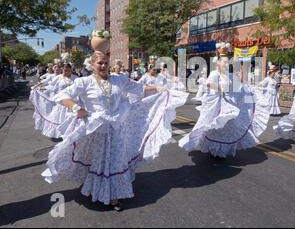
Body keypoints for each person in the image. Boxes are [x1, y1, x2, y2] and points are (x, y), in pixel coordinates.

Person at [40, 49, 188, 211]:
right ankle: (99, 189)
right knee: (100, 160)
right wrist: (77, 108)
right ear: (92, 65)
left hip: (118, 128)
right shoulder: (84, 82)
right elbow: (62, 96)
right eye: (99, 63)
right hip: (98, 129)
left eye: (105, 63)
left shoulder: (119, 79)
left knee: (115, 160)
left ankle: (114, 196)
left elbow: (139, 88)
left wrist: (160, 89)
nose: (103, 66)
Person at [179, 48, 270, 158]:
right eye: (224, 62)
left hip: (229, 103)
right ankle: (214, 148)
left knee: (228, 125)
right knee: (216, 125)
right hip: (218, 104)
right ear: (218, 62)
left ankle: (220, 149)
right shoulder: (214, 73)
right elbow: (208, 84)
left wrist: (246, 88)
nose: (226, 64)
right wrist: (220, 89)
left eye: (227, 62)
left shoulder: (227, 74)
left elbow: (236, 85)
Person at [31, 64, 78, 139]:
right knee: (59, 118)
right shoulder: (59, 77)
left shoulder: (76, 78)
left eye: (68, 71)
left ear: (71, 70)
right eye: (65, 70)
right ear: (63, 70)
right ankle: (60, 134)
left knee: (70, 119)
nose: (66, 72)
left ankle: (69, 134)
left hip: (72, 102)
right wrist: (40, 88)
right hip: (61, 102)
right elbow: (51, 86)